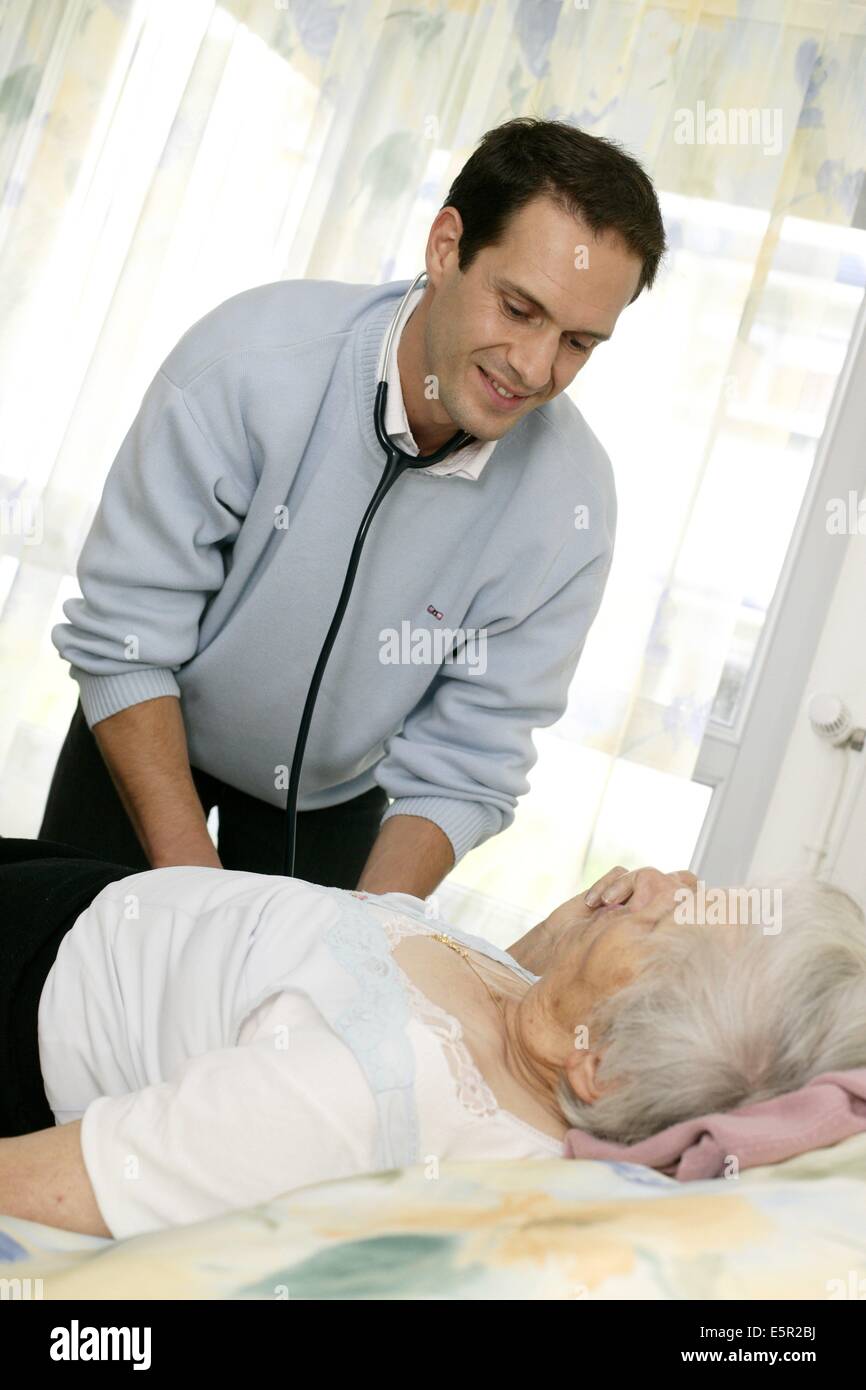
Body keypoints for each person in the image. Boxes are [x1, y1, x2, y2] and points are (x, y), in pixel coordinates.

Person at [39, 117, 666, 894]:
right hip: (145, 731)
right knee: (65, 993)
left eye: (578, 342)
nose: (535, 368)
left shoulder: (572, 507)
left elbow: (470, 759)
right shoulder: (244, 364)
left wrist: (350, 945)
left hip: (331, 801)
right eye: (518, 308)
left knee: (294, 1001)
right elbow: (125, 637)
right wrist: (193, 904)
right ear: (447, 248)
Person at [3, 838, 864, 1240]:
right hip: (95, 895)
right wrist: (541, 962)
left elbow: (34, 1185)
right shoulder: (543, 1044)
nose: (666, 878)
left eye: (676, 917)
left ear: (597, 1063)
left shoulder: (352, 1094)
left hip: (31, 979)